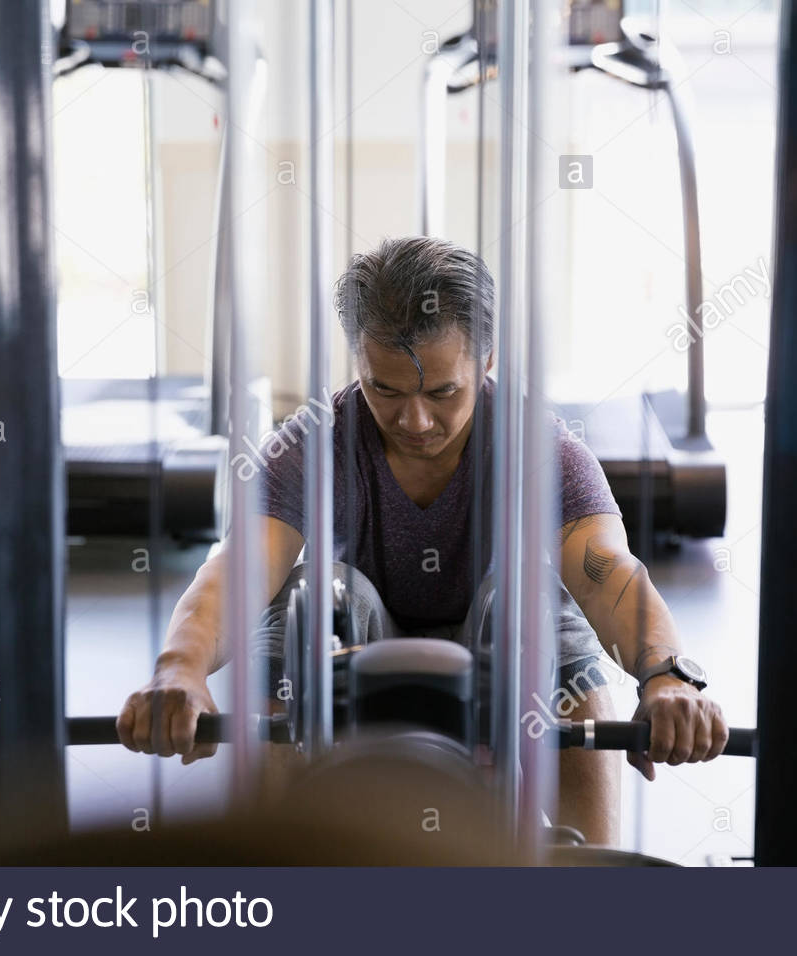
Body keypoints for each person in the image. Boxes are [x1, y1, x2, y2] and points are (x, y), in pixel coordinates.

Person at [117, 236, 727, 845]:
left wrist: (667, 675)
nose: (415, 421)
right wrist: (179, 668)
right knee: (310, 599)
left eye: (441, 392)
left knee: (538, 602)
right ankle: (278, 869)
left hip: (498, 647)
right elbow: (239, 569)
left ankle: (592, 880)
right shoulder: (312, 443)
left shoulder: (541, 448)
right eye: (385, 390)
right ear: (358, 360)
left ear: (486, 361)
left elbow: (607, 575)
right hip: (360, 647)